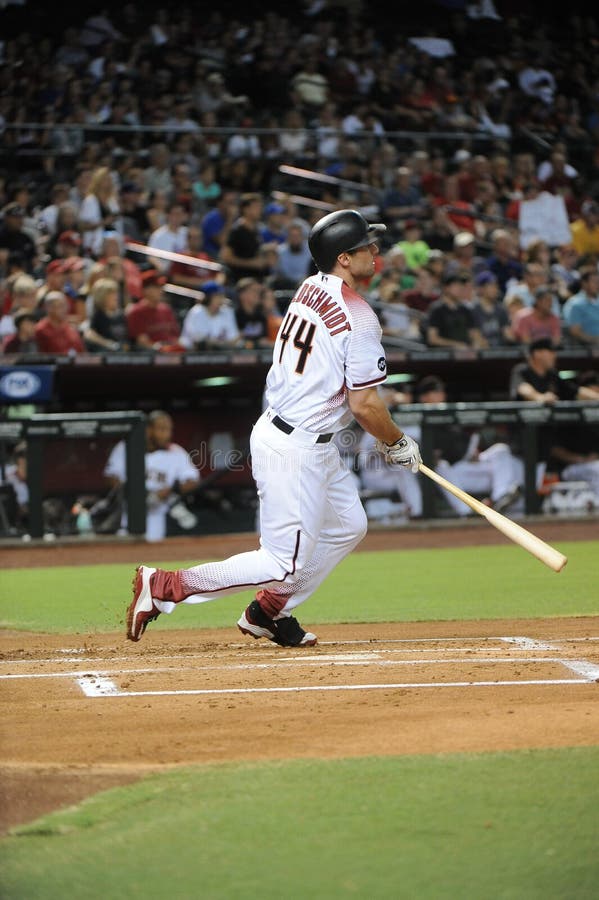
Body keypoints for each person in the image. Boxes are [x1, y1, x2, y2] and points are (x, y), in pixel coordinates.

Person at [125, 208, 421, 645]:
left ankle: (267, 611)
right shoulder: (360, 318)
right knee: (281, 561)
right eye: (365, 247)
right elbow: (364, 404)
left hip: (302, 435)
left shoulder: (309, 286)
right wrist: (396, 441)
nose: (375, 252)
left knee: (349, 524)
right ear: (343, 258)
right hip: (295, 447)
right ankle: (166, 586)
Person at [358, 375, 524, 519]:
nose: (441, 395)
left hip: (431, 470)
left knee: (495, 452)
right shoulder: (383, 419)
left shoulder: (428, 420)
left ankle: (483, 504)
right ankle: (424, 513)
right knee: (413, 467)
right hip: (386, 473)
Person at [104, 409, 200, 542]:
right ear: (148, 429)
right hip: (129, 512)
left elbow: (192, 481)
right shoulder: (126, 446)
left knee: (155, 550)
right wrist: (137, 493)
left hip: (159, 511)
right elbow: (111, 477)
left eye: (169, 430)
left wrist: (171, 490)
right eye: (162, 429)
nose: (167, 434)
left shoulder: (176, 452)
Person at [125, 269, 182, 352]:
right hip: (152, 357)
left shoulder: (166, 309)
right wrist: (161, 349)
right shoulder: (137, 312)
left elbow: (175, 336)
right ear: (146, 290)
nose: (161, 291)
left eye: (161, 287)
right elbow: (142, 341)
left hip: (171, 353)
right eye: (157, 288)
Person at [424, 272, 486, 349]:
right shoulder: (436, 309)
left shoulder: (465, 310)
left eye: (460, 286)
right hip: (444, 355)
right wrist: (456, 345)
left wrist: (477, 343)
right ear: (446, 288)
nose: (460, 289)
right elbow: (432, 339)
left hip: (466, 354)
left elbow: (474, 333)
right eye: (456, 286)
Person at [179, 281, 241, 350]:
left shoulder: (227, 312)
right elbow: (198, 342)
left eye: (222, 295)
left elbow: (235, 339)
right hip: (192, 354)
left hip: (221, 353)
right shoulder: (196, 312)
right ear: (207, 298)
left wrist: (218, 344)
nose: (221, 299)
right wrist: (221, 344)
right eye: (217, 296)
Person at [562, 266, 599, 347]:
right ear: (584, 283)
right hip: (588, 349)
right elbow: (575, 331)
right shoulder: (575, 304)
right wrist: (595, 340)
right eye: (594, 282)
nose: (598, 285)